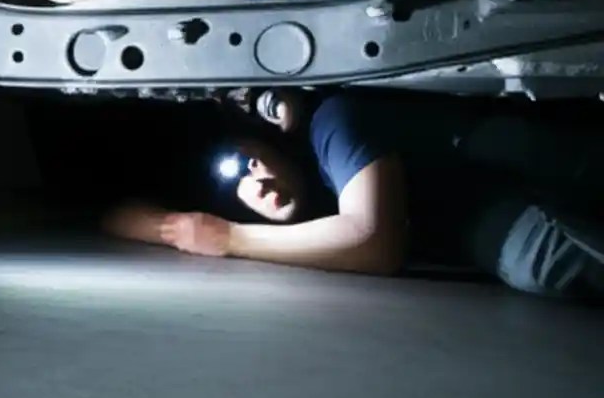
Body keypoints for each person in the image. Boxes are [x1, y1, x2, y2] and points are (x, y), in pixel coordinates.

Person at [106, 89, 604, 300]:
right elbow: (114, 216)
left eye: (247, 162)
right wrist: (169, 228)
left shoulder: (333, 121)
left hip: (533, 178)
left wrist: (227, 237)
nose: (255, 184)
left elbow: (372, 239)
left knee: (540, 257)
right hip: (492, 213)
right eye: (235, 189)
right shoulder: (315, 200)